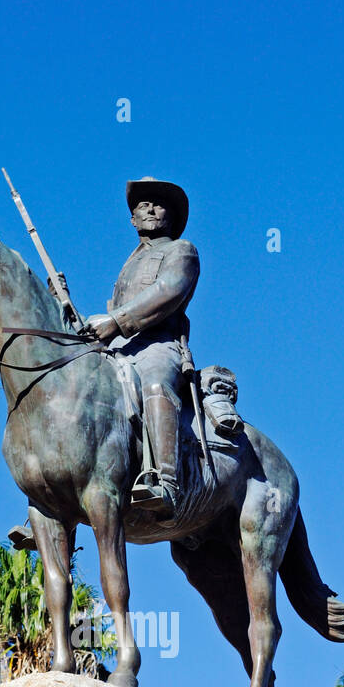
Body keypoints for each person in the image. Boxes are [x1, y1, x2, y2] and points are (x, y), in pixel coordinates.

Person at [86, 177, 198, 517]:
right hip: (118, 347)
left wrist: (116, 322)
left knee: (154, 381)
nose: (149, 208)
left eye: (159, 203)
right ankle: (57, 491)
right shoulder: (128, 265)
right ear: (132, 220)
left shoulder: (181, 250)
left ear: (172, 217)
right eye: (141, 205)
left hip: (157, 345)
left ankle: (166, 481)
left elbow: (167, 290)